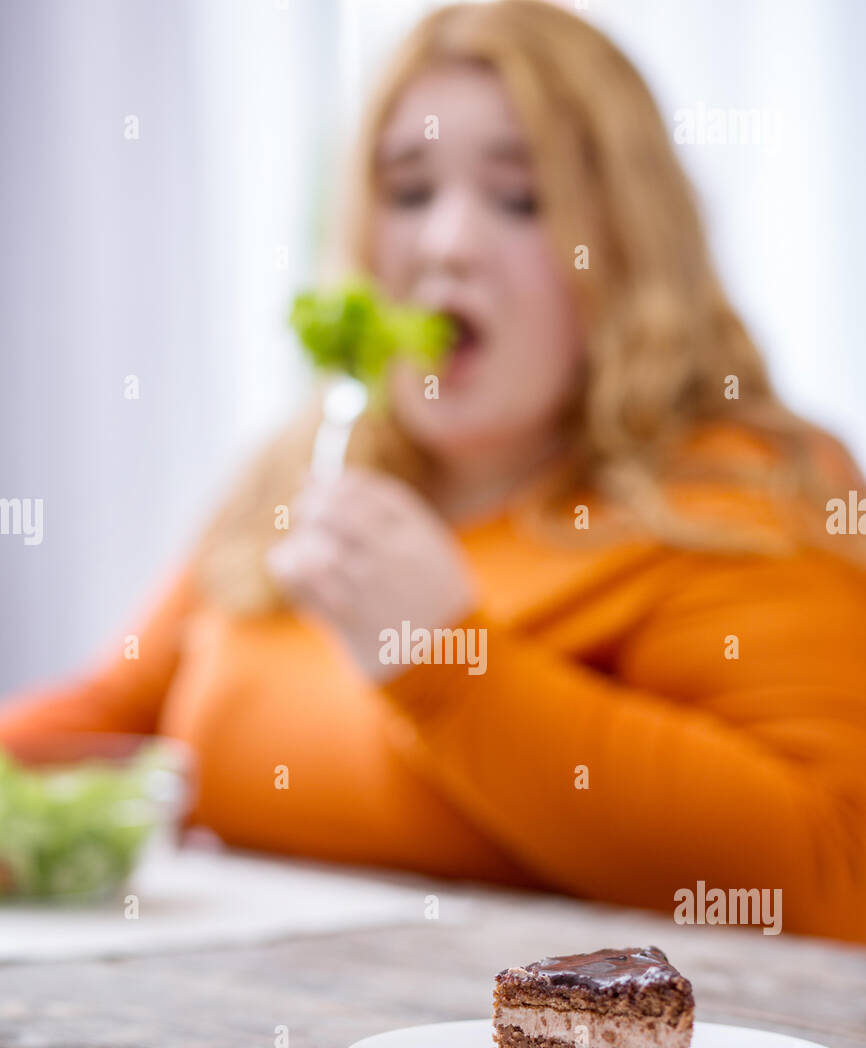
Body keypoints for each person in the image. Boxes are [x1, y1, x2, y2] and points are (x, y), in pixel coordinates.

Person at [2, 0, 865, 940]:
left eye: (523, 199)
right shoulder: (303, 471)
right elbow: (105, 719)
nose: (446, 244)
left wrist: (443, 659)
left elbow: (833, 872)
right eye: (409, 193)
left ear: (627, 244)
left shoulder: (746, 491)